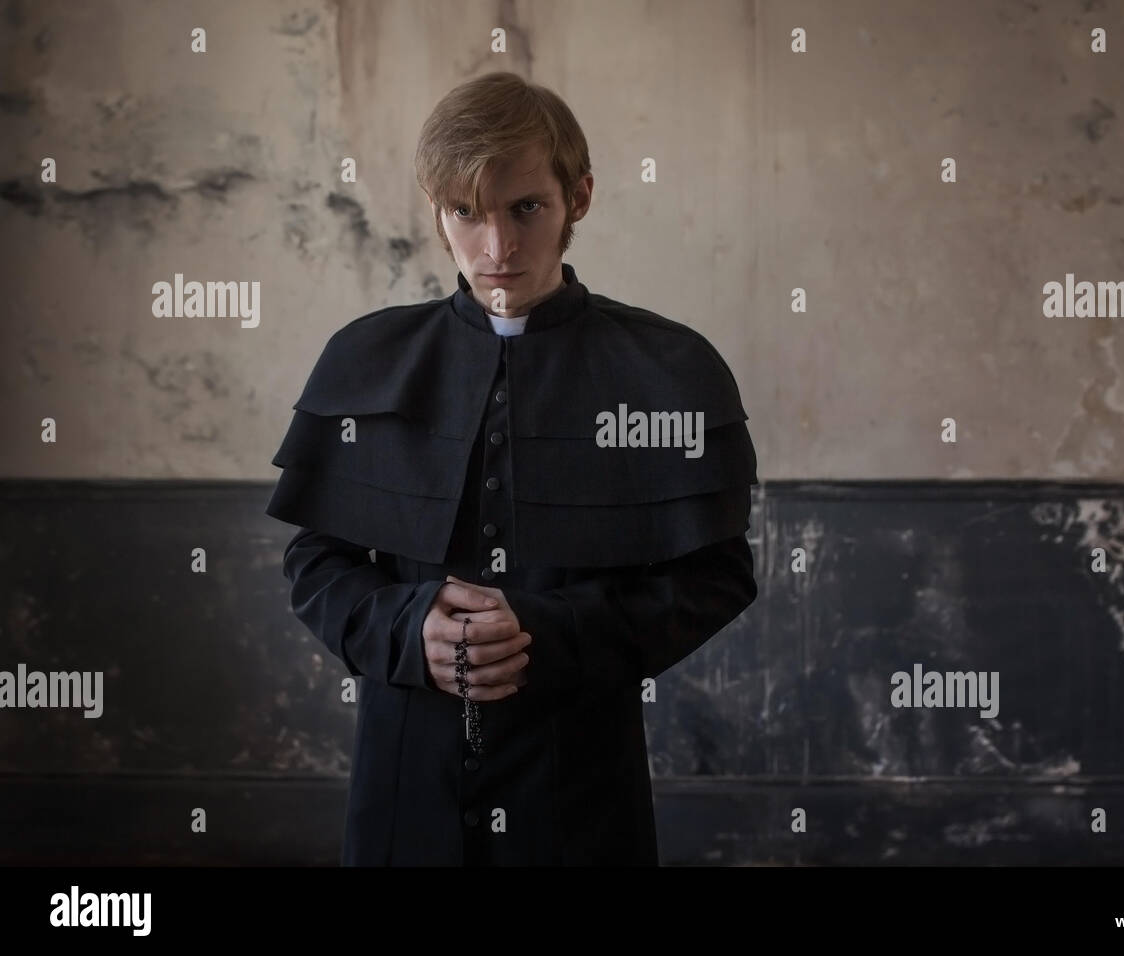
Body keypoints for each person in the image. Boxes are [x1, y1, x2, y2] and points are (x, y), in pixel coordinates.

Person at [265, 71, 758, 865]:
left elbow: (716, 577)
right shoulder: (364, 359)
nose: (496, 249)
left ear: (579, 197)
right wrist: (403, 627)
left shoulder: (669, 370)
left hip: (580, 792)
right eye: (467, 212)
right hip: (403, 789)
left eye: (525, 207)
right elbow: (317, 561)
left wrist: (549, 631)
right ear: (439, 209)